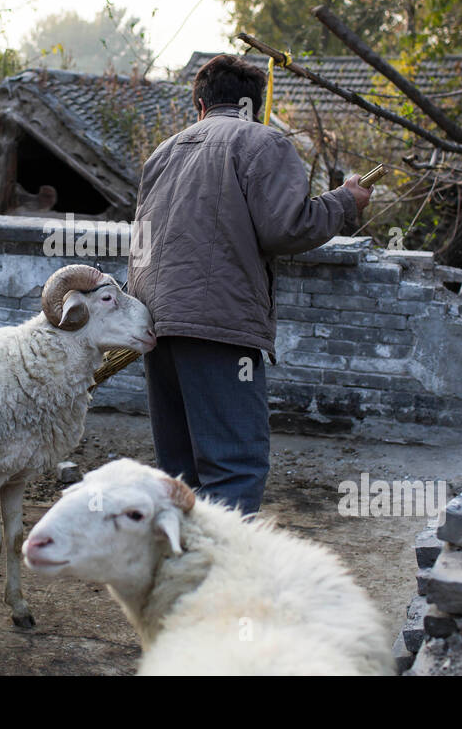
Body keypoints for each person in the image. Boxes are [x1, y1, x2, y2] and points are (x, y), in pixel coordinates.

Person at [128, 53, 374, 516]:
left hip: (156, 325)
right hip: (219, 327)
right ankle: (221, 563)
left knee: (180, 471)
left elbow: (140, 239)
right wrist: (345, 201)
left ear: (200, 105)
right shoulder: (262, 141)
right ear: (255, 106)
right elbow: (288, 227)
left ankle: (178, 559)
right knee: (234, 467)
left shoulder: (163, 152)